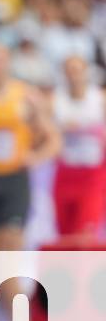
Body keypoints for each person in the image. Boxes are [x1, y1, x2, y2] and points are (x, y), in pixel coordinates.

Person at [0, 43, 59, 316]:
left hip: (15, 182)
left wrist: (34, 156)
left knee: (7, 262)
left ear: (8, 63)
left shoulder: (25, 96)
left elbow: (53, 139)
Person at [51, 56, 106, 241]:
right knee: (65, 236)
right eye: (69, 71)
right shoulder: (56, 101)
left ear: (86, 73)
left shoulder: (99, 99)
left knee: (85, 235)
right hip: (65, 174)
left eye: (77, 71)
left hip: (92, 175)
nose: (73, 75)